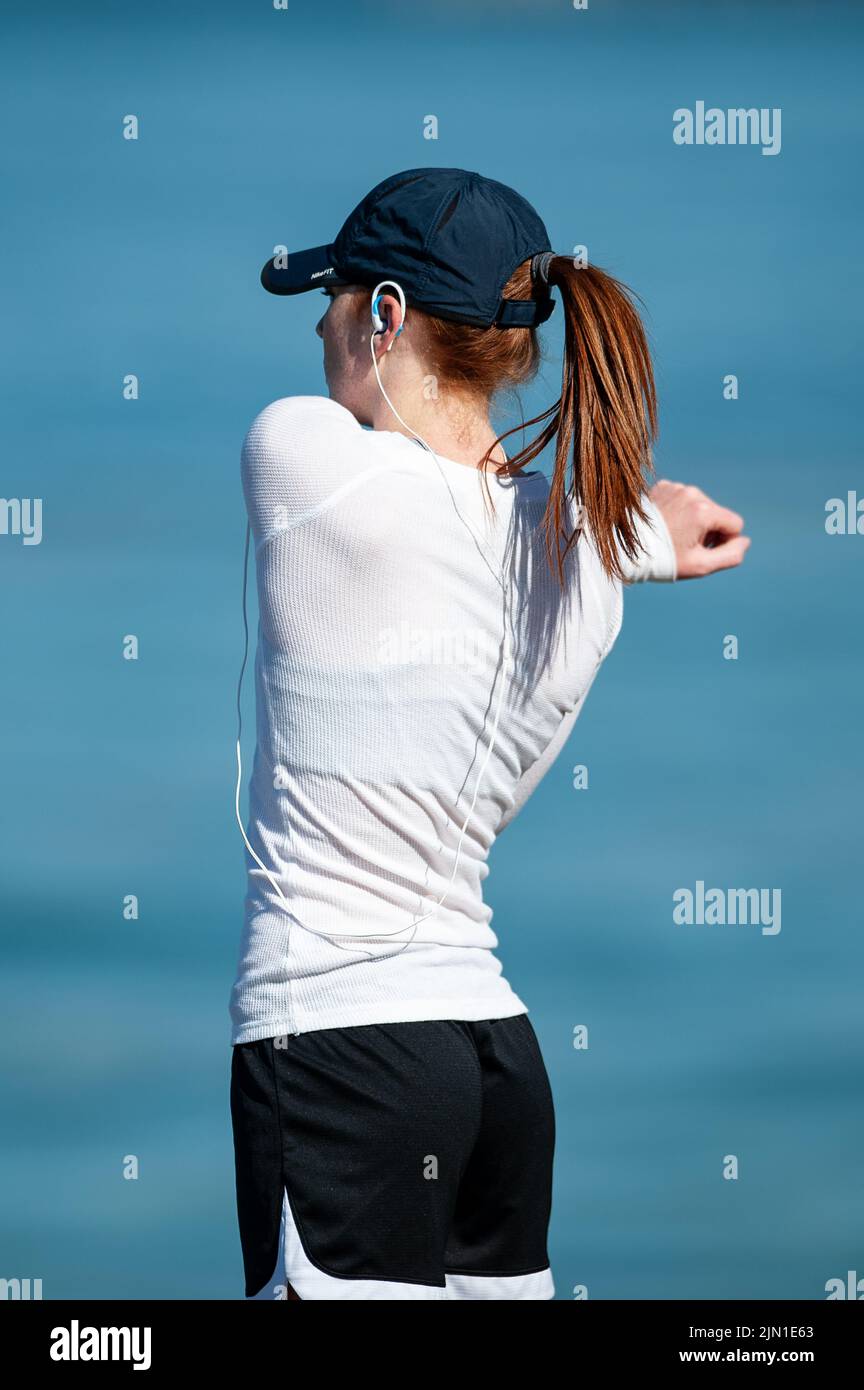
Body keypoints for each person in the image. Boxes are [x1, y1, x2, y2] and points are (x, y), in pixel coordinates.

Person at [228, 168, 750, 1302]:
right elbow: (521, 516)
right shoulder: (586, 563)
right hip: (494, 1065)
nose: (317, 324)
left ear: (385, 317)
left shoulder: (299, 455)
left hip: (341, 1049)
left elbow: (417, 493)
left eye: (335, 298)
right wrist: (638, 534)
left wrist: (636, 532)